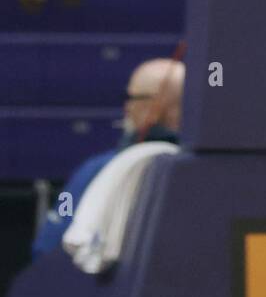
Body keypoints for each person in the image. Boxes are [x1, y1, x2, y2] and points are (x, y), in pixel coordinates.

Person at [31, 58, 184, 259]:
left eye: (130, 97)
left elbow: (47, 248)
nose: (126, 107)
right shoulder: (215, 171)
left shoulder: (96, 170)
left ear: (154, 106)